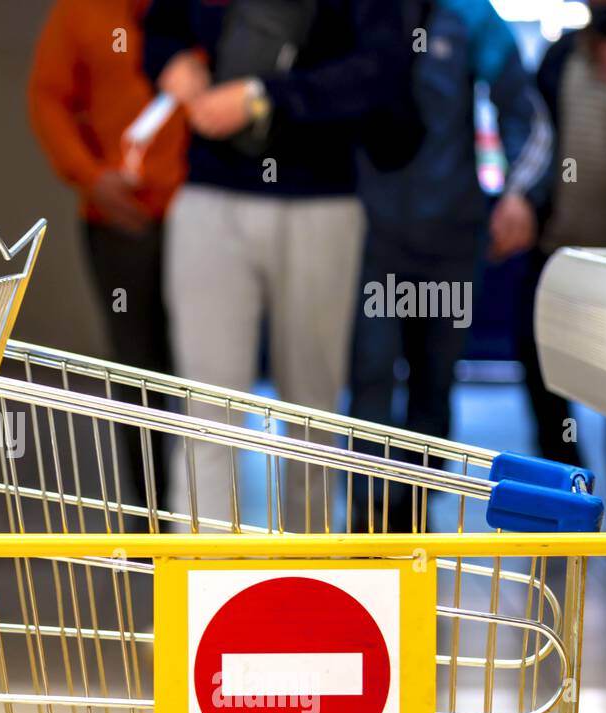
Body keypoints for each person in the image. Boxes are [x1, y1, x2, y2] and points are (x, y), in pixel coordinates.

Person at [143, 0, 414, 531]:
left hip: (320, 199)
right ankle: (199, 591)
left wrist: (264, 97)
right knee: (205, 410)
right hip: (210, 196)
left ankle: (306, 580)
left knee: (311, 413)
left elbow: (382, 70)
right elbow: (158, 27)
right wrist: (169, 60)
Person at [349, 0, 552, 531]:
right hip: (369, 235)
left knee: (434, 381)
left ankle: (415, 517)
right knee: (370, 374)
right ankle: (370, 516)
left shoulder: (470, 14)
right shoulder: (356, 10)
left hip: (450, 239)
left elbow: (523, 112)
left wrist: (519, 194)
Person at [27, 0, 186, 504]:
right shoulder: (83, 10)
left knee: (209, 366)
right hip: (120, 220)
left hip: (208, 214)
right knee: (137, 368)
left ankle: (202, 510)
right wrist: (91, 177)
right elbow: (47, 97)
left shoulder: (207, 9)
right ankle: (151, 517)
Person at [519, 2, 606, 498]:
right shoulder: (562, 55)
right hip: (557, 250)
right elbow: (538, 137)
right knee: (542, 364)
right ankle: (570, 487)